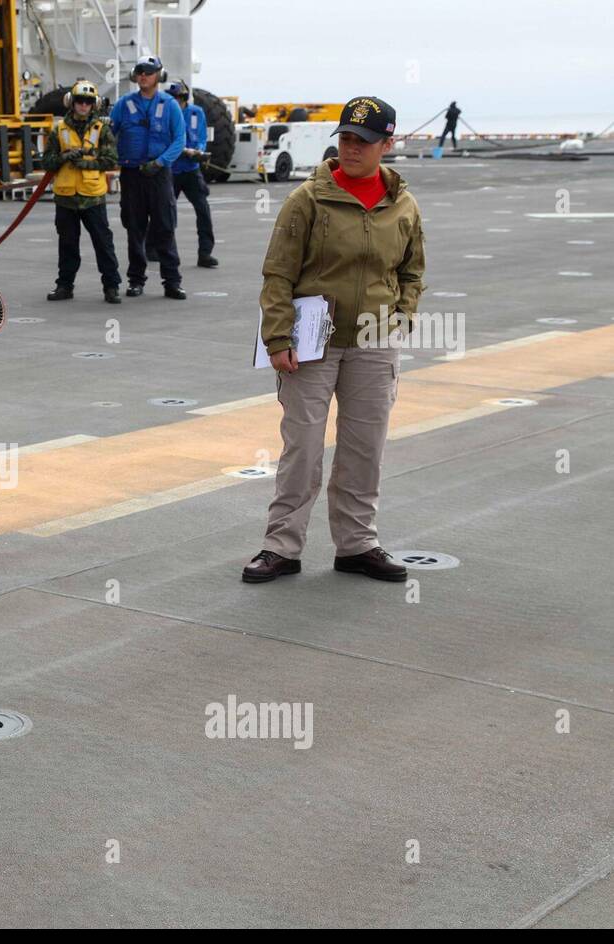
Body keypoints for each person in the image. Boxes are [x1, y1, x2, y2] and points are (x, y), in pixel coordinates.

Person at [243, 96, 425, 584]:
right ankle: (280, 546)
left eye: (363, 142)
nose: (351, 148)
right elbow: (277, 274)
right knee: (301, 446)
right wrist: (278, 337)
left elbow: (412, 269)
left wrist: (401, 316)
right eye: (345, 138)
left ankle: (357, 544)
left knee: (364, 447)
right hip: (311, 345)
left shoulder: (402, 204)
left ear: (387, 144)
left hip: (374, 341)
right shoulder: (307, 199)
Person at [109, 56, 186, 299]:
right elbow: (109, 134)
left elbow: (179, 140)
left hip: (159, 175)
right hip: (132, 175)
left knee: (164, 227)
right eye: (140, 71)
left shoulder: (170, 105)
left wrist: (160, 162)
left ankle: (172, 281)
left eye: (149, 72)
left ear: (158, 76)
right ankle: (136, 281)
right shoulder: (123, 104)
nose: (144, 75)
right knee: (135, 228)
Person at [42, 80, 122, 304]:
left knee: (103, 244)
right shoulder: (59, 130)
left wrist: (84, 163)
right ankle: (64, 286)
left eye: (88, 101)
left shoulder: (101, 130)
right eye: (79, 101)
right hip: (66, 198)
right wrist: (64, 157)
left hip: (92, 198)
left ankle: (111, 286)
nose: (83, 105)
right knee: (67, 246)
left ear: (94, 104)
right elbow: (46, 161)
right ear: (71, 102)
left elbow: (111, 160)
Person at [167, 80, 218, 268]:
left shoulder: (197, 112)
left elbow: (202, 136)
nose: (174, 103)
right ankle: (155, 248)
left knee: (203, 210)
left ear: (183, 98)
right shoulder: (166, 115)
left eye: (177, 99)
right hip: (171, 170)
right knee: (164, 212)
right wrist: (183, 151)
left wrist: (199, 151)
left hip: (191, 170)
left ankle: (205, 253)